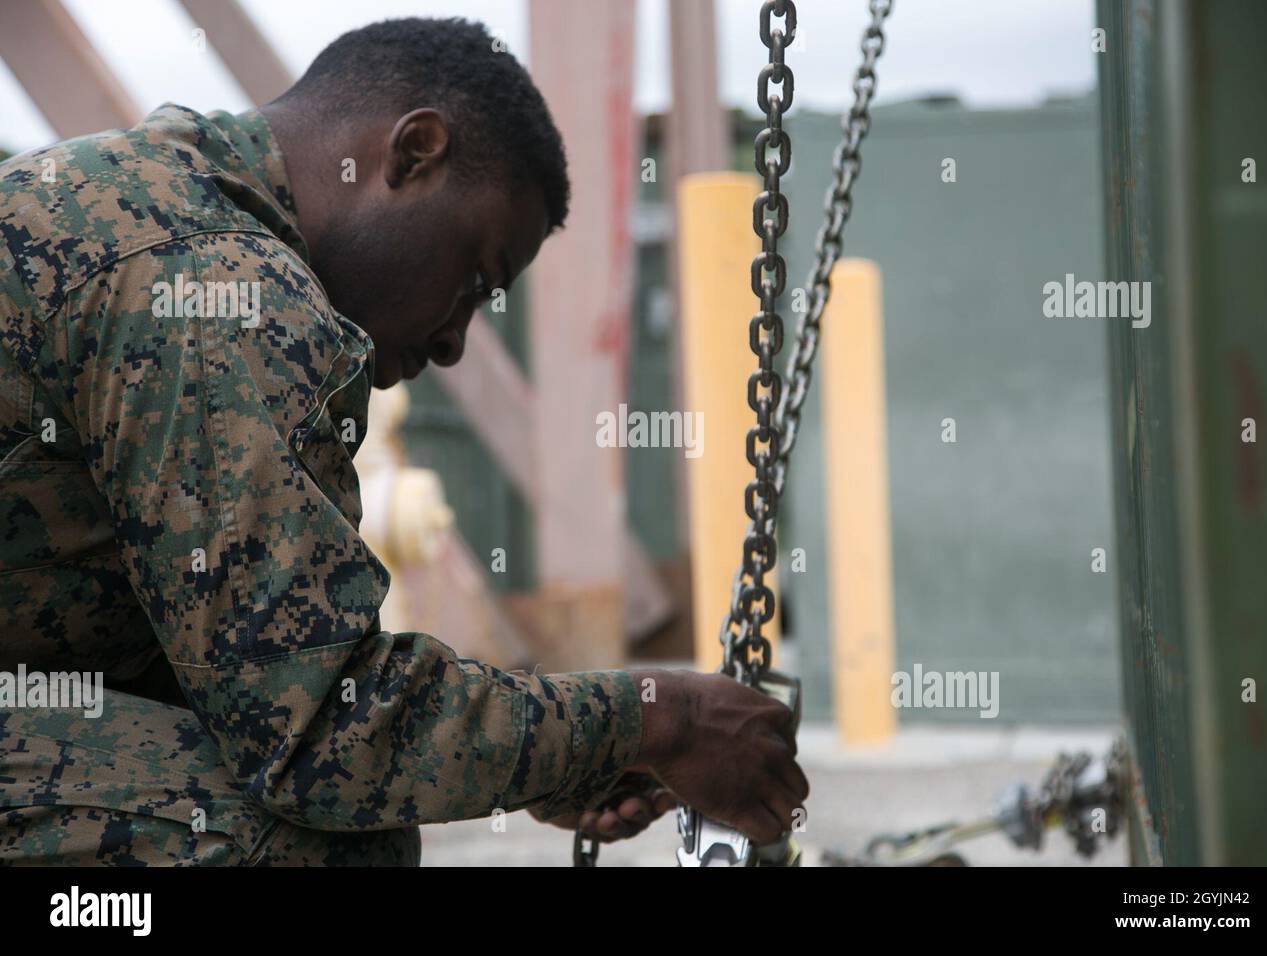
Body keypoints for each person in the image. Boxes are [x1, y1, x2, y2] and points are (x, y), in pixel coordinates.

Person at [0, 16, 807, 865]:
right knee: (311, 843)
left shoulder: (157, 191)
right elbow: (323, 731)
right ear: (413, 153)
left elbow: (234, 674)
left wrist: (558, 761)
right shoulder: (215, 281)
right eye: (475, 279)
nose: (455, 340)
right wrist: (660, 717)